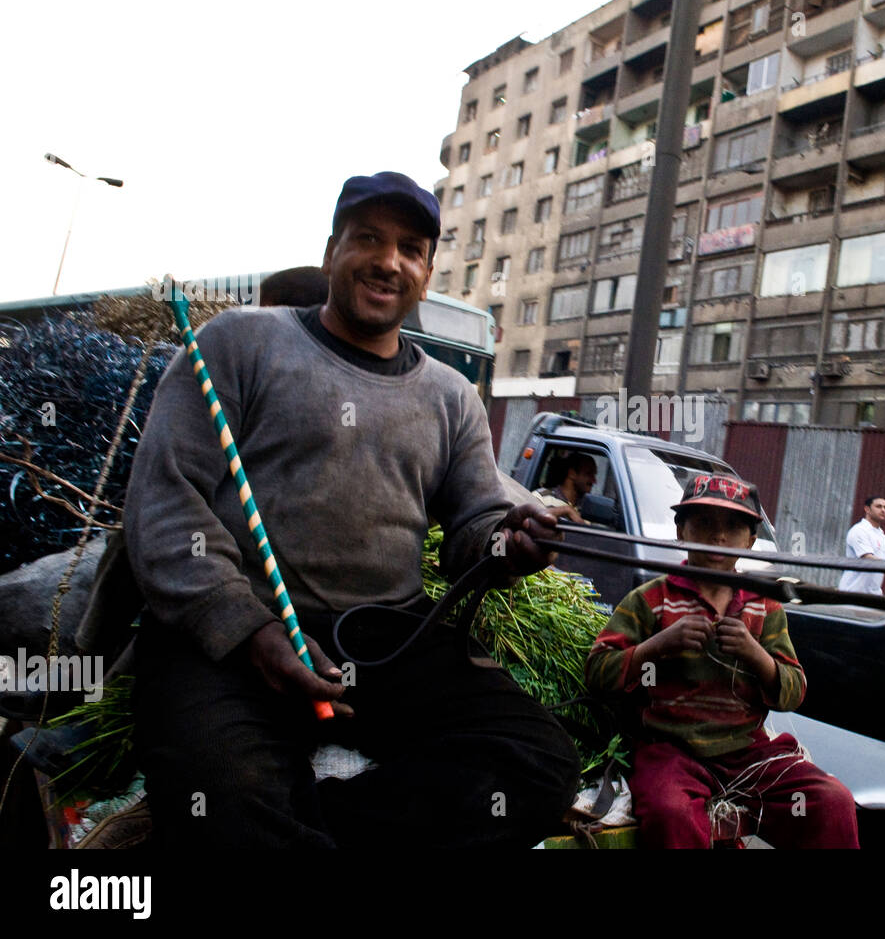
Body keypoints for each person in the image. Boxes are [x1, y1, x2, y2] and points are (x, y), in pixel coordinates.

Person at [123, 171, 580, 848]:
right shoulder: (239, 344)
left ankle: (322, 829)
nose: (388, 259)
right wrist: (252, 631)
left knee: (538, 762)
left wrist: (511, 547)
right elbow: (164, 502)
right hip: (232, 637)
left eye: (410, 247)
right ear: (332, 249)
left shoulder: (452, 398)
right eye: (368, 237)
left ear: (426, 271)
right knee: (220, 787)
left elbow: (477, 528)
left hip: (384, 638)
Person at [585, 474, 859, 849]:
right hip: (670, 752)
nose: (718, 537)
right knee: (671, 813)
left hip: (749, 754)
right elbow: (598, 672)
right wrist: (657, 646)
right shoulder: (650, 599)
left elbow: (793, 691)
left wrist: (755, 654)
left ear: (750, 539)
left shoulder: (765, 605)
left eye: (732, 527)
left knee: (831, 802)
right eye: (704, 523)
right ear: (681, 530)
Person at [838, 496, 885, 595]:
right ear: (867, 509)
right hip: (852, 592)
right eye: (878, 506)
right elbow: (868, 557)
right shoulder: (859, 530)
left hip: (874, 594)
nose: (883, 510)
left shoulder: (882, 536)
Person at [532, 452, 597, 523]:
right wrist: (566, 510)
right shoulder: (541, 496)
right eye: (589, 474)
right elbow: (528, 516)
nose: (594, 481)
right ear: (572, 473)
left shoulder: (589, 508)